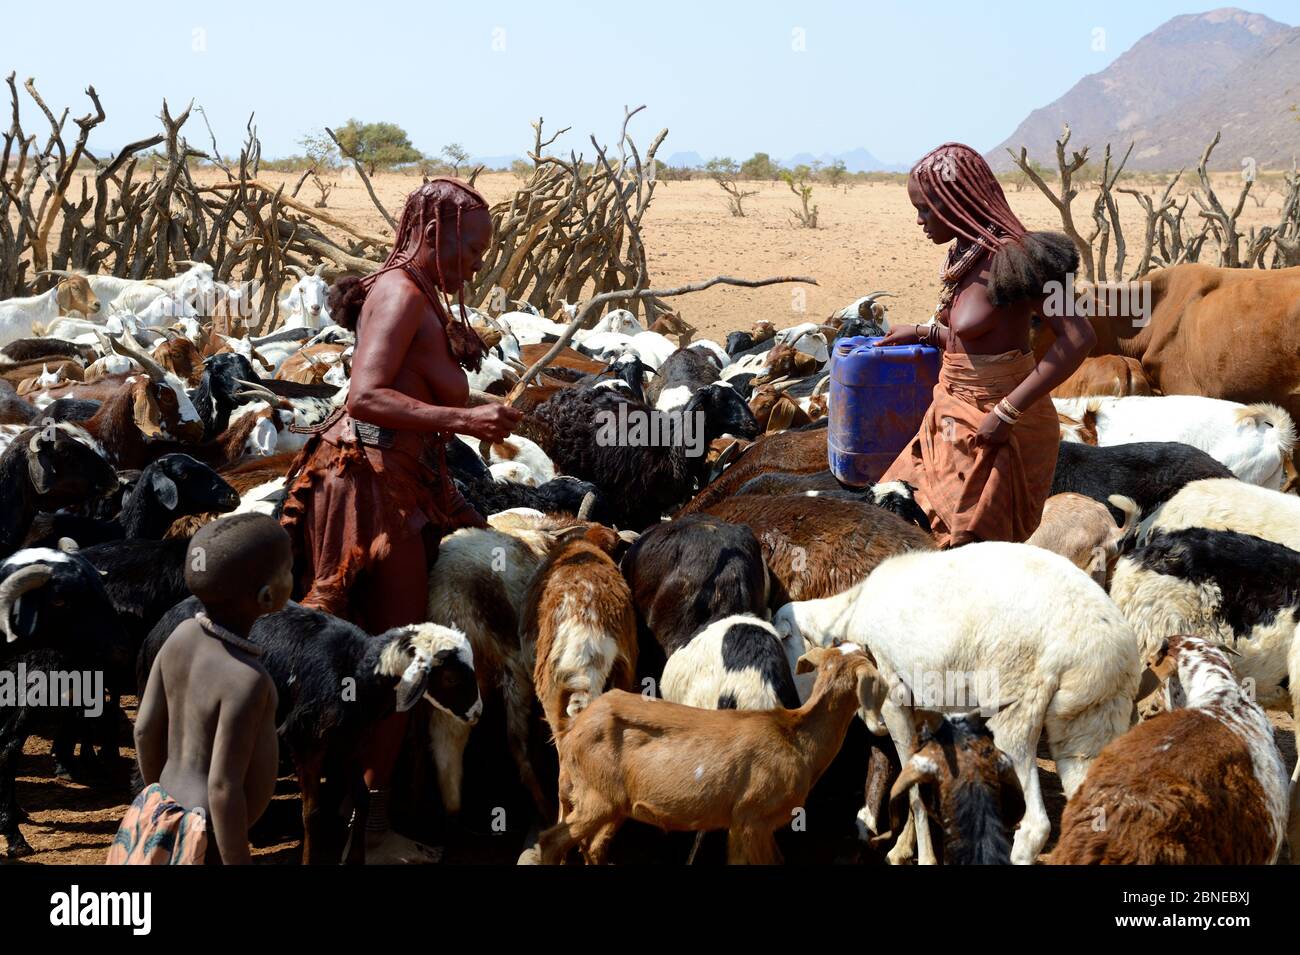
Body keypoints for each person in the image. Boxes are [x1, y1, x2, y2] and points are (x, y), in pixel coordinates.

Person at [279, 178, 523, 863]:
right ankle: (367, 827)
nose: (476, 266)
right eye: (471, 251)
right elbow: (365, 395)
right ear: (436, 233)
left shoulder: (421, 295)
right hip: (369, 488)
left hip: (412, 480)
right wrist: (465, 417)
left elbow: (411, 386)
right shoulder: (400, 293)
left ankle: (373, 809)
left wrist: (476, 403)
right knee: (394, 656)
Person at [874, 143, 1095, 548]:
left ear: (956, 203)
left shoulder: (1026, 259)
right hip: (949, 412)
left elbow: (1079, 338)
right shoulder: (965, 254)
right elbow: (977, 344)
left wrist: (1007, 412)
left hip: (999, 427)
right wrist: (924, 334)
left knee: (964, 546)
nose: (921, 221)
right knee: (899, 515)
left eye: (926, 209)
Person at [109, 514, 289, 865]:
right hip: (209, 839)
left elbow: (144, 729)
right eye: (290, 569)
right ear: (266, 595)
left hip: (163, 814)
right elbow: (223, 787)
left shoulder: (182, 636)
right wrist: (236, 858)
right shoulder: (247, 679)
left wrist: (159, 798)